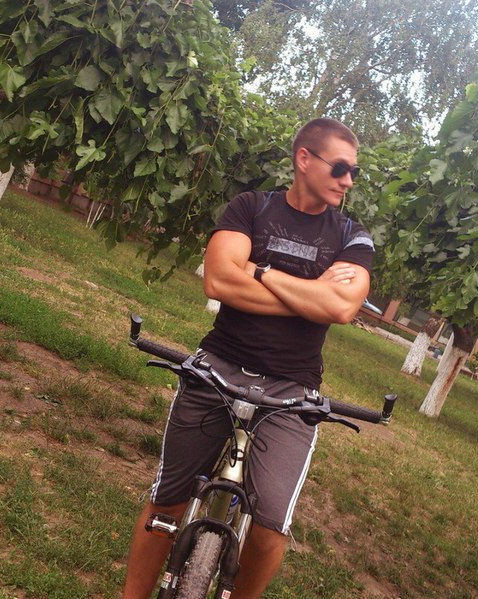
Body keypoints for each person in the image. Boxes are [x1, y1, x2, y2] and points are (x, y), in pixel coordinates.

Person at [123, 118, 374, 599]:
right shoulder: (251, 207)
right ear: (304, 159)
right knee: (167, 502)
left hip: (293, 391)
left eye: (354, 173)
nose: (348, 181)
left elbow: (342, 307)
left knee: (270, 527)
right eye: (340, 168)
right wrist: (311, 295)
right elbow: (219, 280)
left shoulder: (351, 236)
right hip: (218, 367)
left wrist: (259, 272)